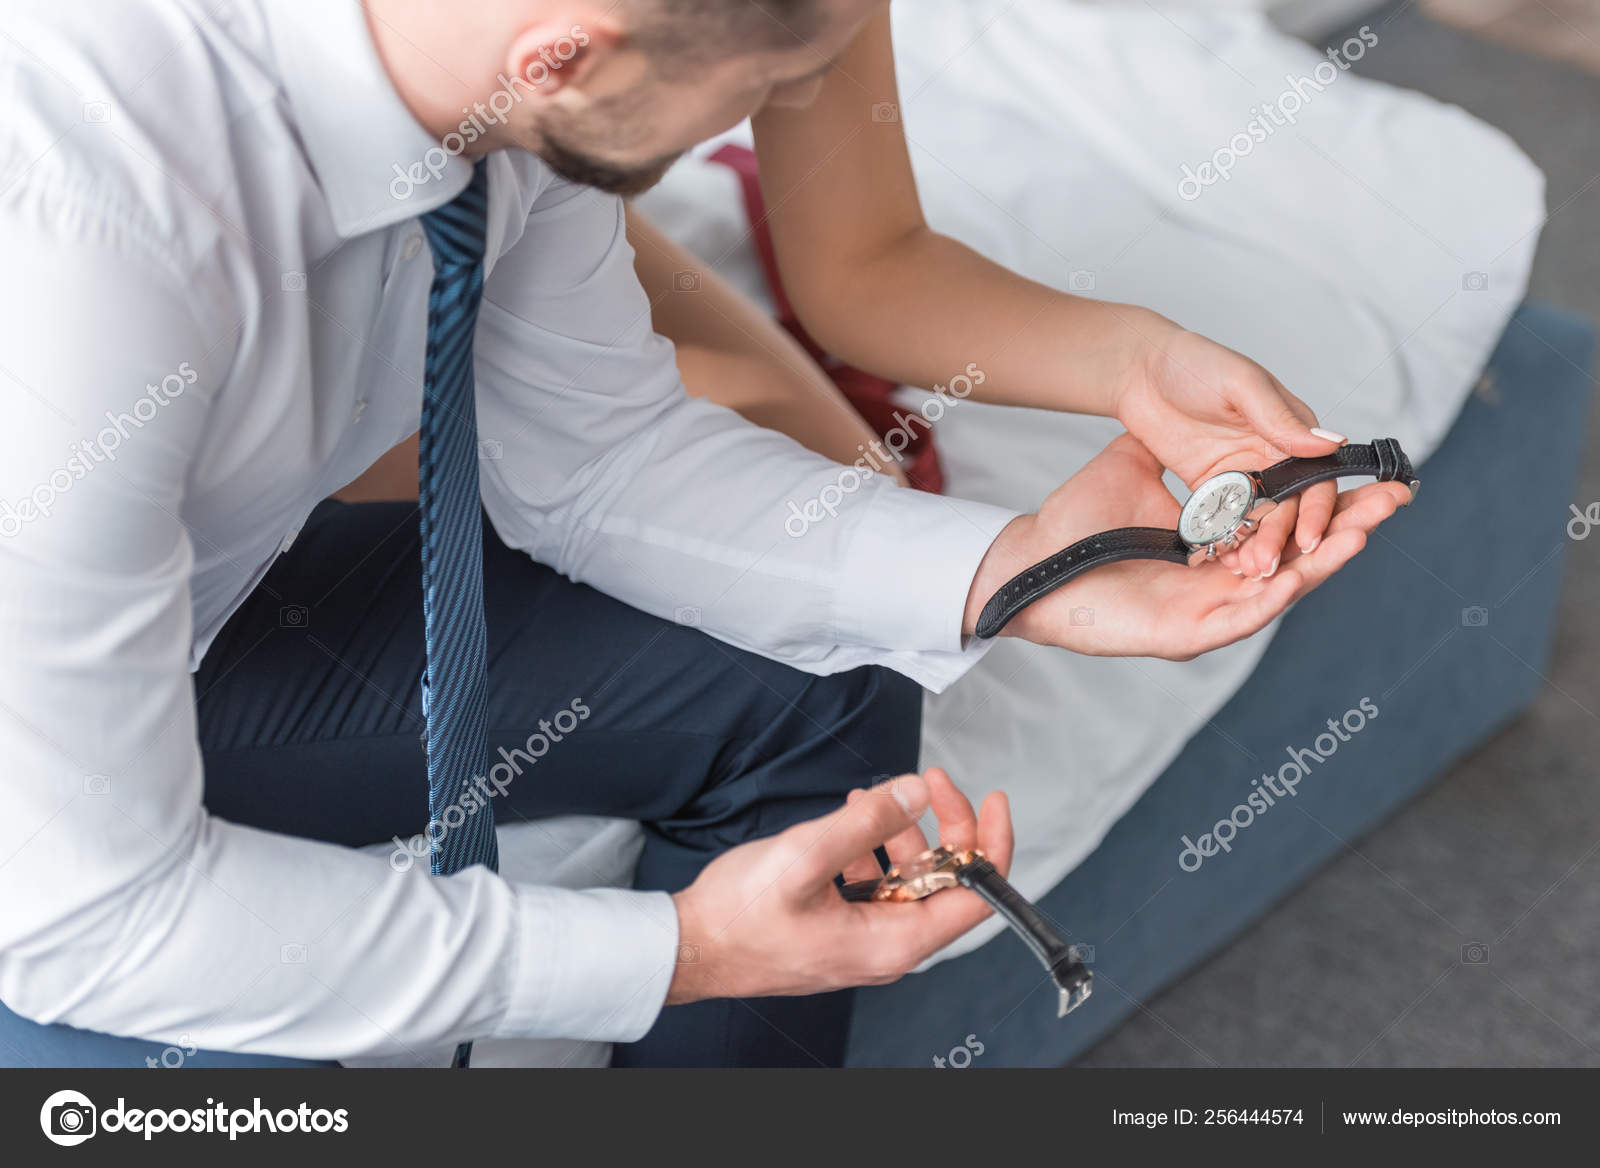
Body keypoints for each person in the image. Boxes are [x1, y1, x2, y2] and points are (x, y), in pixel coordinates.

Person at [0, 0, 1410, 1069]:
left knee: (814, 686)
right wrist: (676, 955)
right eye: (756, 100)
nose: (797, 119)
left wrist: (1024, 570)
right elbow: (80, 917)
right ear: (571, 56)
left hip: (200, 583)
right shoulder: (91, 232)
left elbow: (599, 457)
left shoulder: (498, 71)